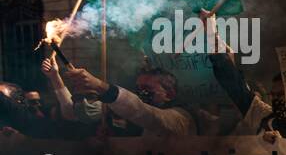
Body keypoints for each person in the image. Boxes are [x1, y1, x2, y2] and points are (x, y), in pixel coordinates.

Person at [63, 64, 196, 136]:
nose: (141, 92)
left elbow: (146, 114)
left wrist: (100, 86)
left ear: (170, 94)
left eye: (147, 88)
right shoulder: (122, 113)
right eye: (138, 87)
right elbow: (73, 114)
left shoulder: (181, 116)